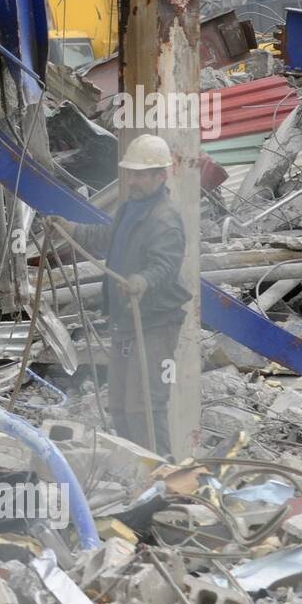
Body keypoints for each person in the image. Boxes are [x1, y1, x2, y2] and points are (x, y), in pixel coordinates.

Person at [52, 134, 190, 457]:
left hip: (154, 324)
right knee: (119, 405)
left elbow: (166, 265)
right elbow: (103, 237)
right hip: (125, 322)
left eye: (142, 174)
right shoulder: (130, 208)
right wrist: (69, 228)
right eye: (131, 173)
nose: (134, 180)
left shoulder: (165, 219)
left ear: (161, 176)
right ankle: (134, 468)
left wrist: (142, 280)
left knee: (145, 405)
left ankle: (161, 470)